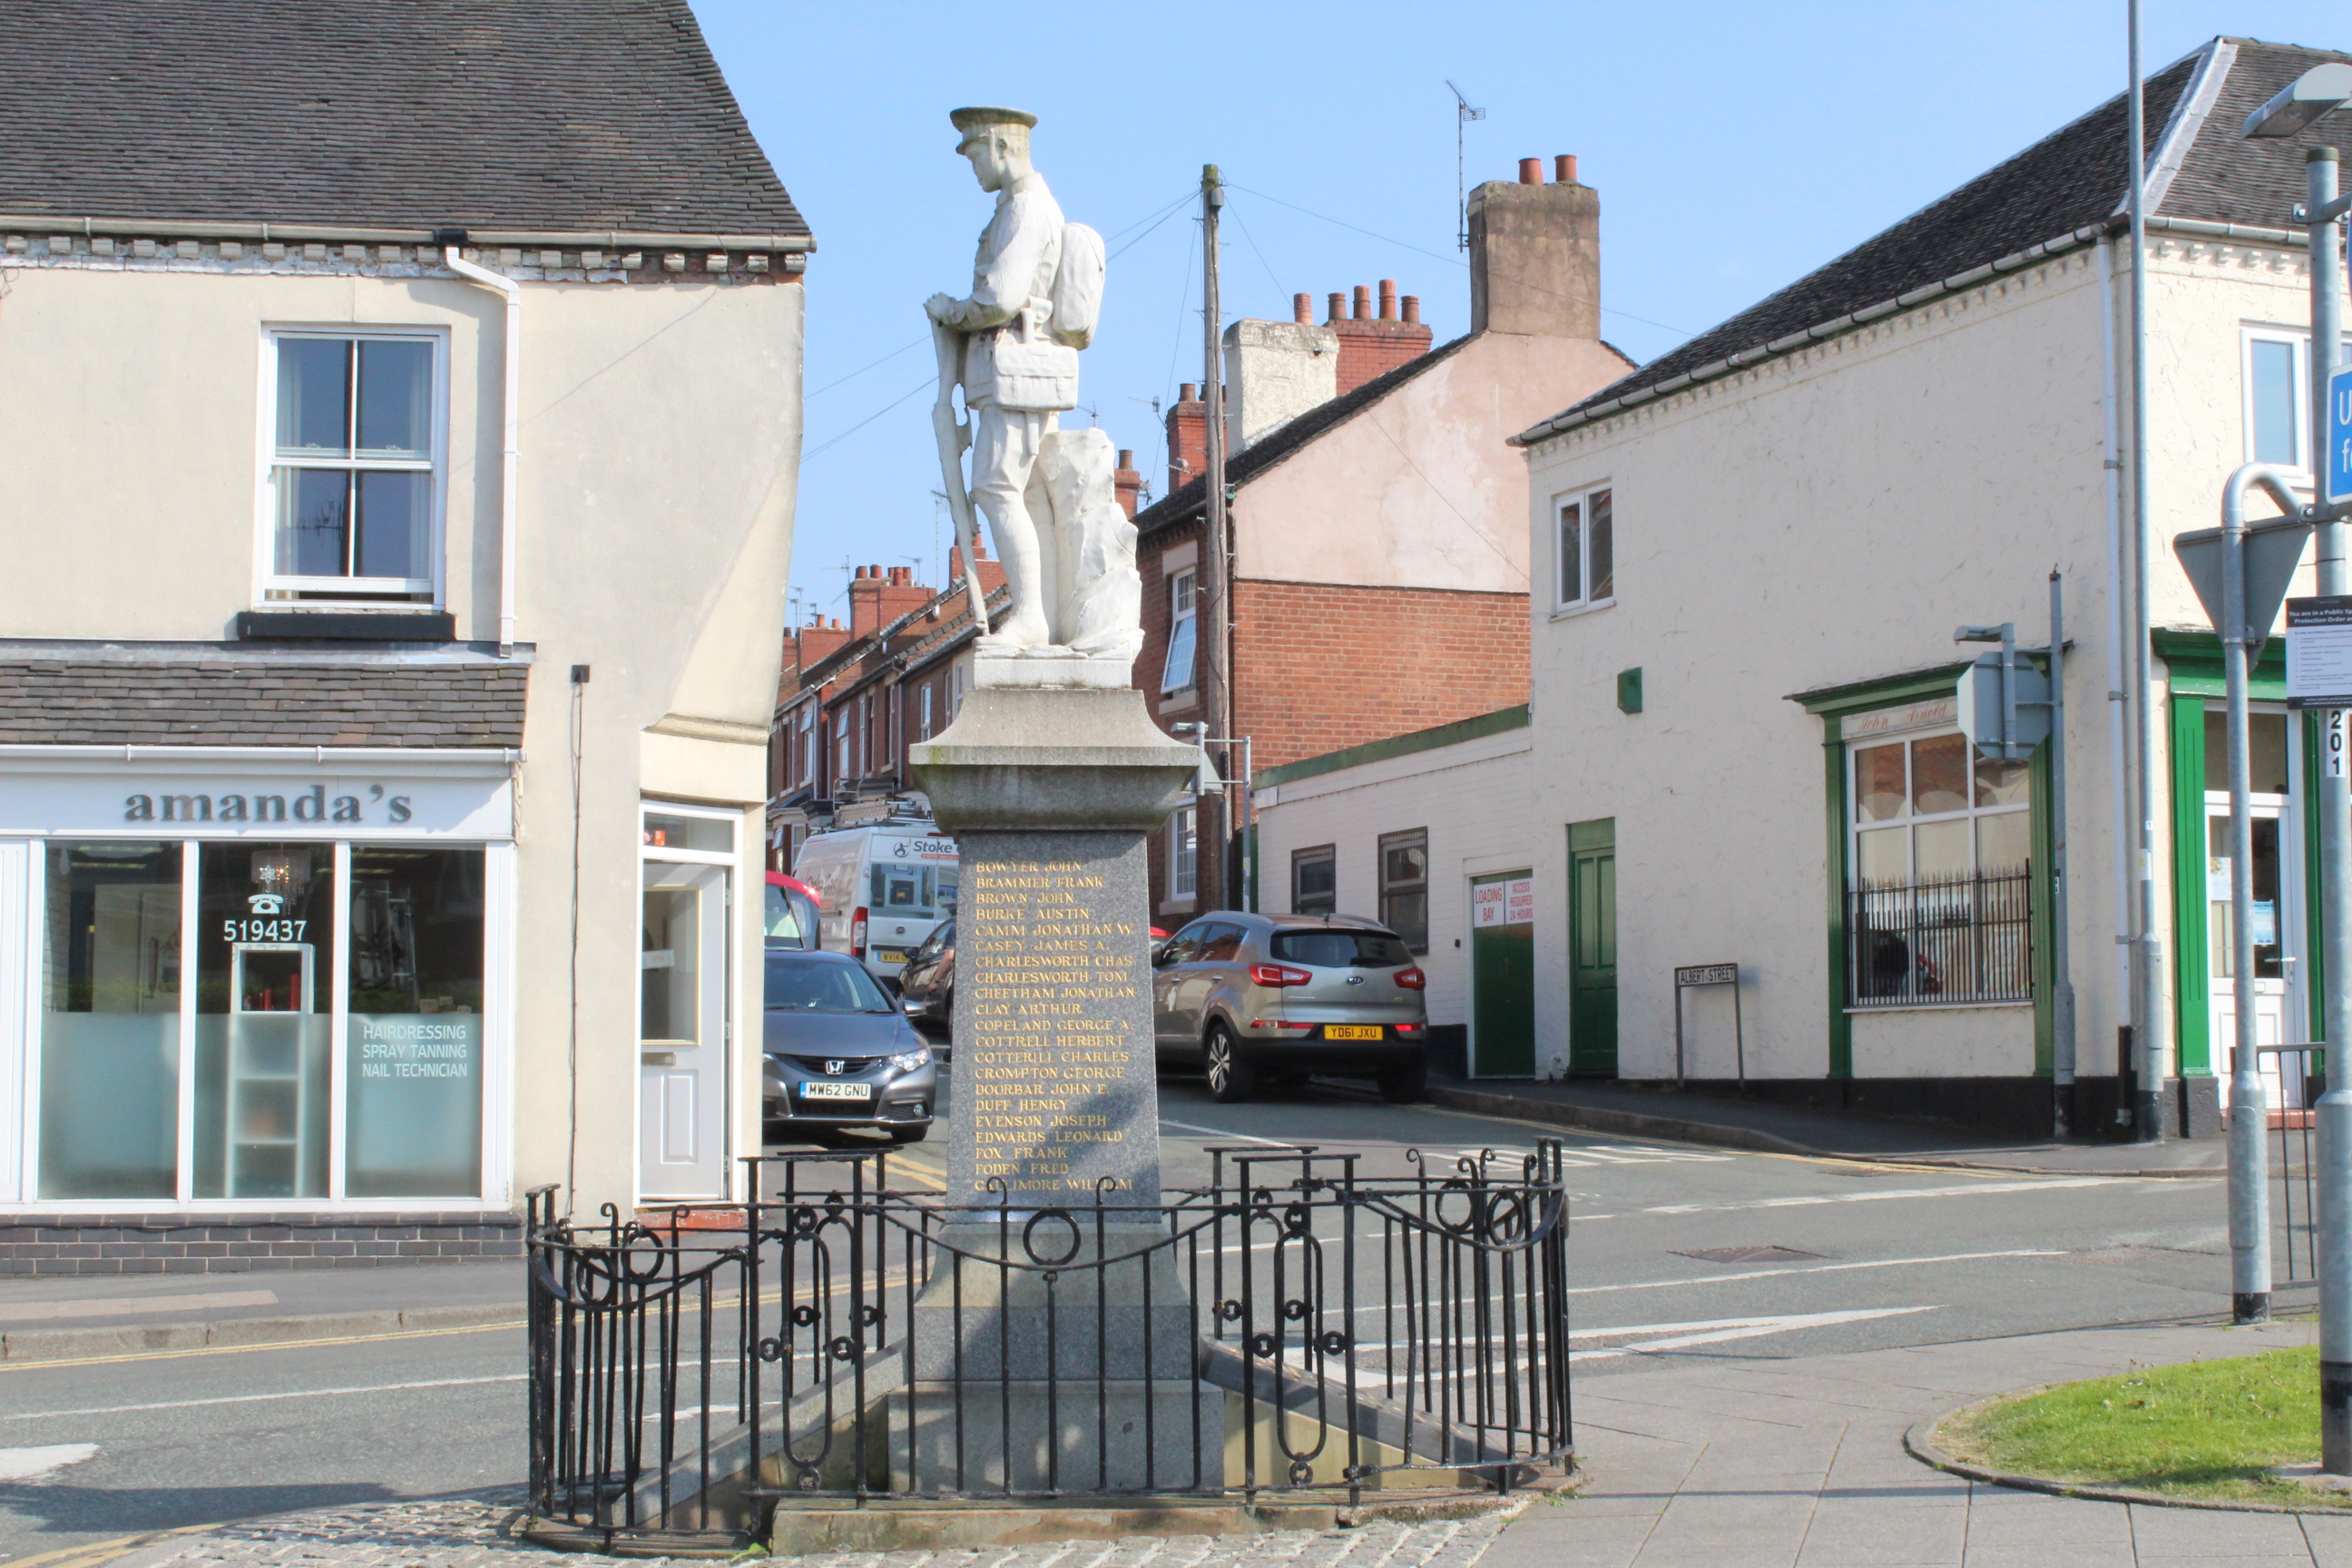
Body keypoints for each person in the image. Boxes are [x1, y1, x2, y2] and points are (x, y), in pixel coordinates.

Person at [925, 106, 1071, 652]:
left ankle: (1032, 616)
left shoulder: (1026, 211)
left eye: (975, 155)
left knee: (994, 486)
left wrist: (952, 312)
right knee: (1022, 495)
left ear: (1001, 148)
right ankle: (1040, 615)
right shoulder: (1015, 208)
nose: (974, 169)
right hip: (1008, 372)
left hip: (1017, 370)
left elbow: (1000, 298)